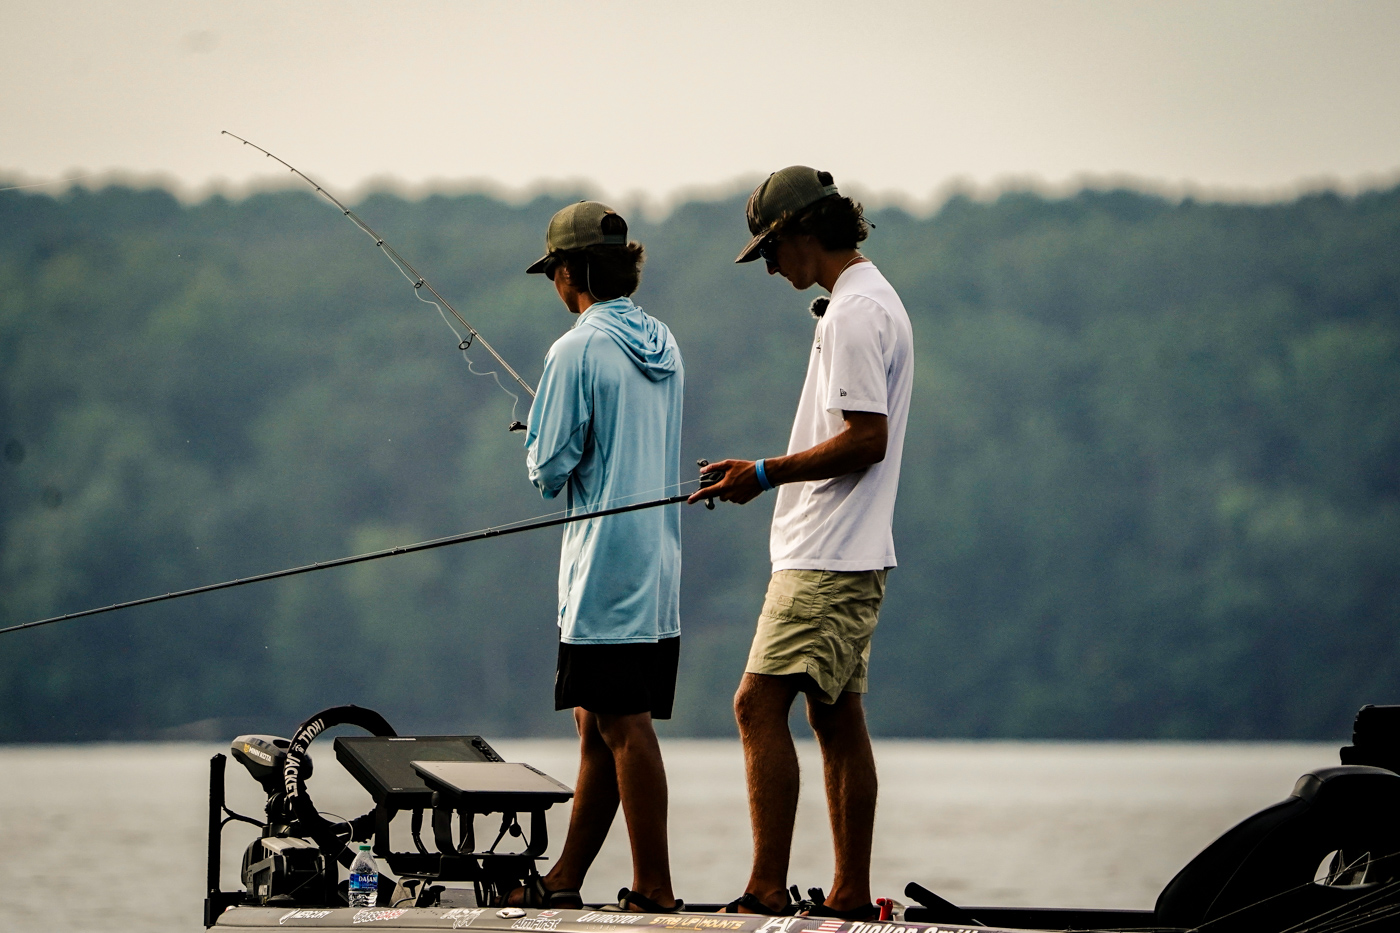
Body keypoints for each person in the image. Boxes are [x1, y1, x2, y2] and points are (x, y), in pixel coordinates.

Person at [688, 167, 913, 919]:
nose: (770, 267)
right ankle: (847, 893)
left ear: (801, 234)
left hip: (828, 552)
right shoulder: (869, 299)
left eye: (770, 250)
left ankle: (764, 887)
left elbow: (866, 440)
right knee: (834, 716)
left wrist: (763, 472)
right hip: (850, 551)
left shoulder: (853, 313)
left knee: (756, 705)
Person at [513, 200, 685, 912]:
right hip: (659, 563)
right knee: (599, 720)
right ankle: (565, 877)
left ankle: (654, 886)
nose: (554, 281)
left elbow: (548, 469)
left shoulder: (576, 348)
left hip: (603, 567)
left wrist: (538, 432)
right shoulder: (665, 341)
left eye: (555, 268)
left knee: (623, 722)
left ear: (575, 271)